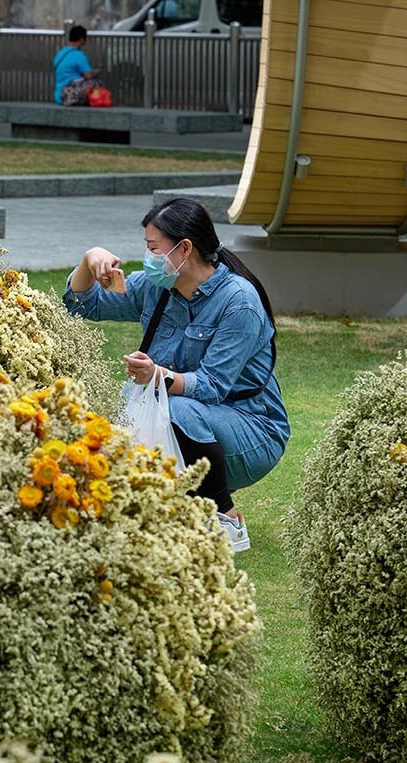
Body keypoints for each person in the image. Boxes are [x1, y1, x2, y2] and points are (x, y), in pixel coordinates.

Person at [63, 197, 288, 552]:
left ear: (184, 249)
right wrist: (90, 259)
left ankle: (227, 519)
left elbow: (211, 386)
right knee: (126, 408)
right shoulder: (157, 287)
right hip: (194, 421)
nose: (148, 258)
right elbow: (81, 305)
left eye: (154, 248)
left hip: (252, 430)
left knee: (175, 409)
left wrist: (157, 375)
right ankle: (166, 510)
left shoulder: (238, 302)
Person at [52, 24, 101, 106]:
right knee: (96, 83)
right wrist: (96, 72)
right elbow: (88, 76)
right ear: (81, 39)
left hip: (59, 95)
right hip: (70, 94)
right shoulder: (79, 55)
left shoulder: (60, 53)